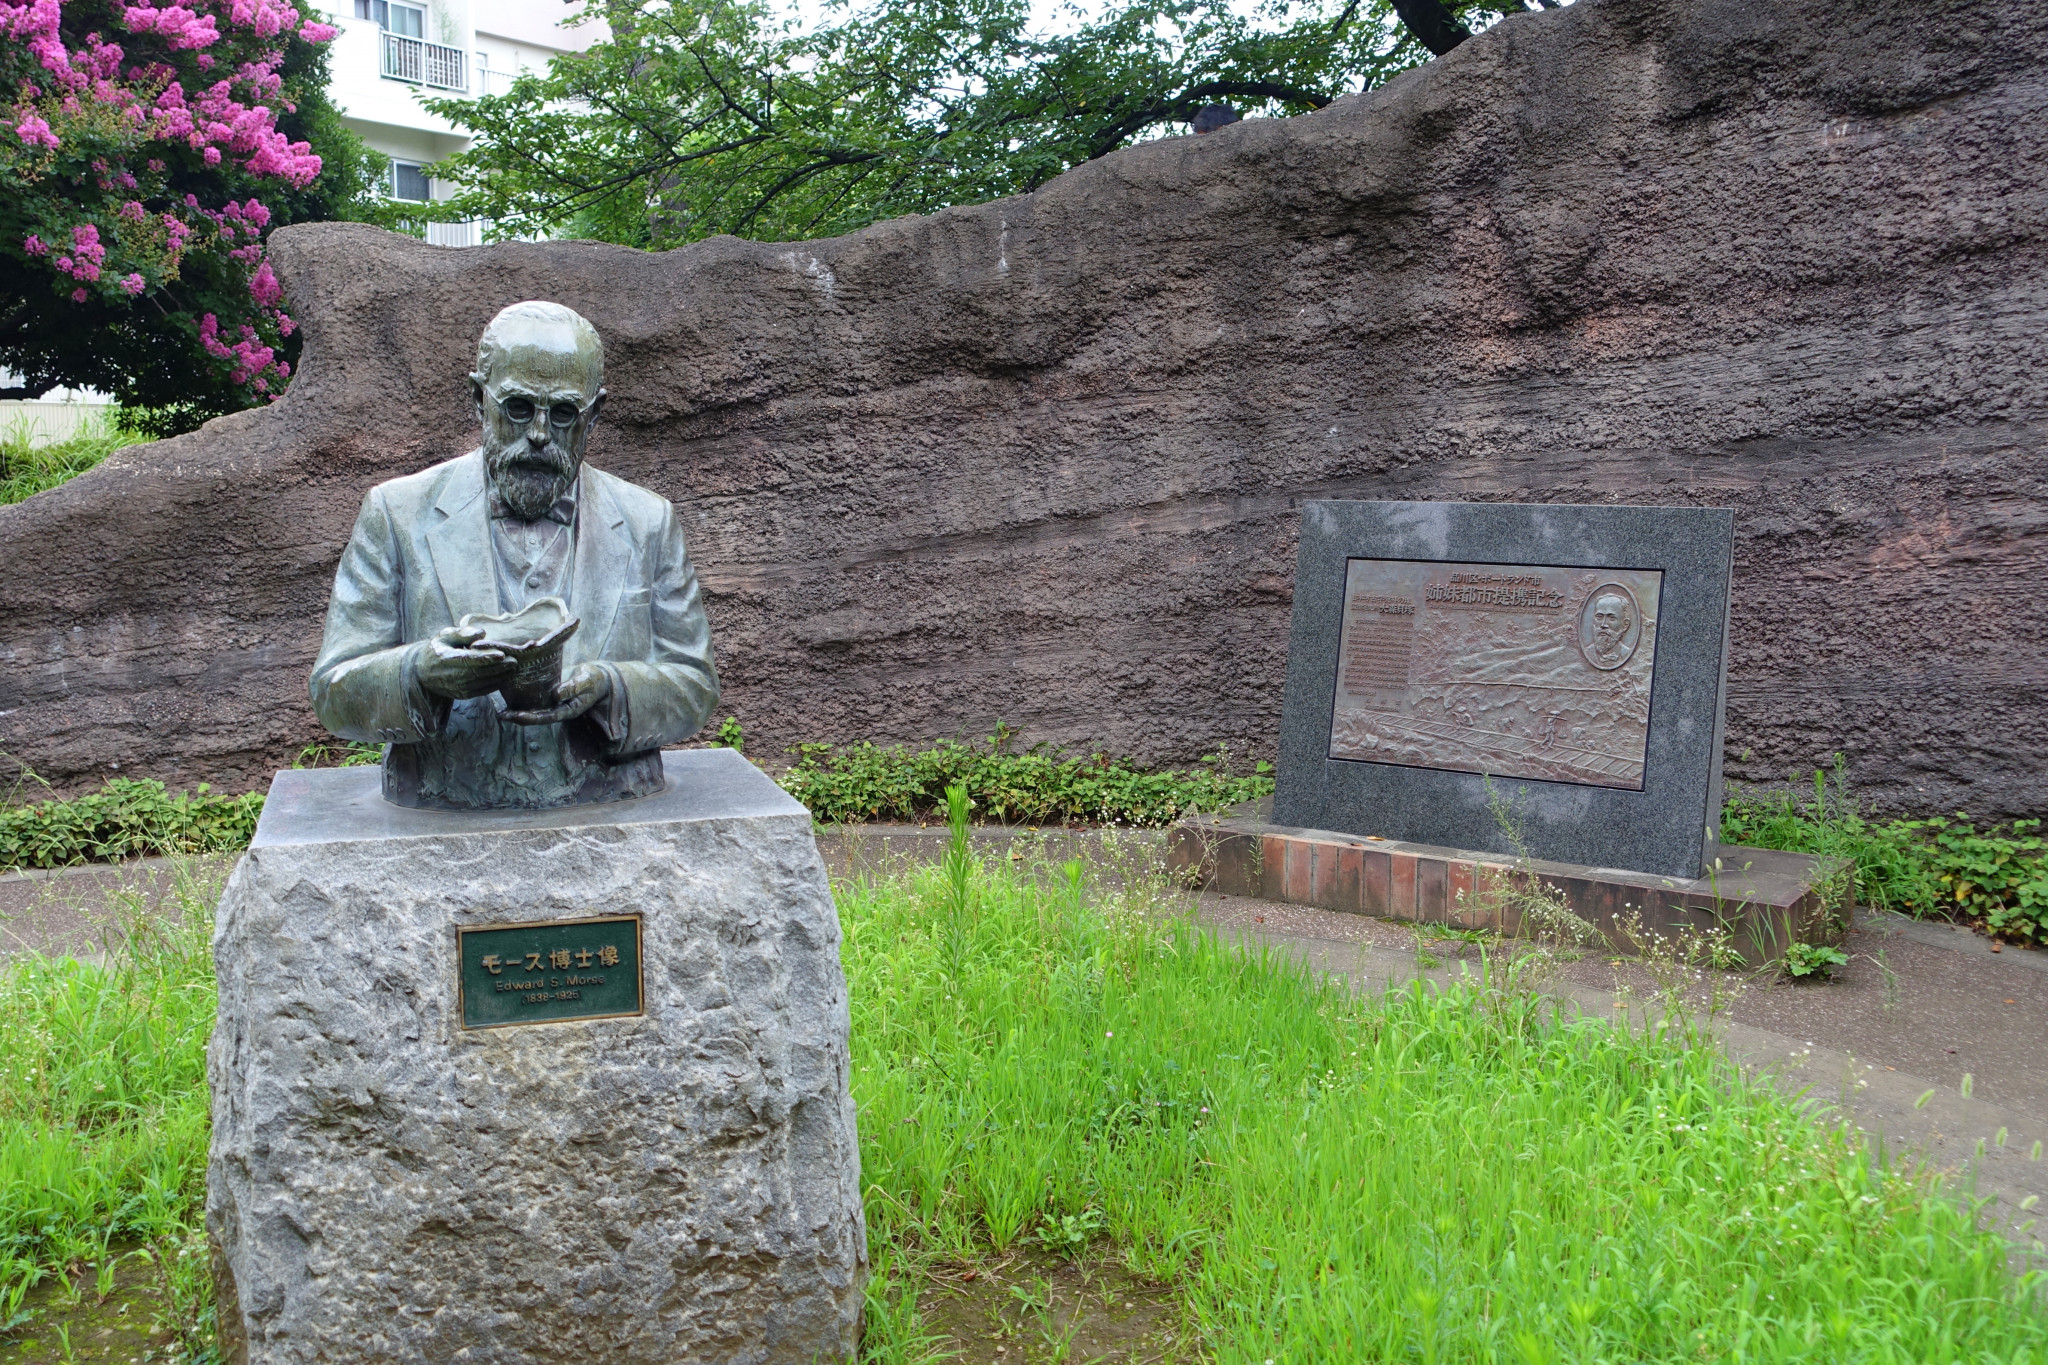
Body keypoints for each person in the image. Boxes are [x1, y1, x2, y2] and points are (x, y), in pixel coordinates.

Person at [309, 301, 719, 809]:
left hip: (614, 799)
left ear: (596, 416)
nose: (541, 435)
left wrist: (611, 688)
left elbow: (695, 684)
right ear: (478, 399)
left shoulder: (648, 522)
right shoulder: (395, 513)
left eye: (565, 413)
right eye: (519, 408)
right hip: (442, 804)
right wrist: (420, 674)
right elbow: (333, 688)